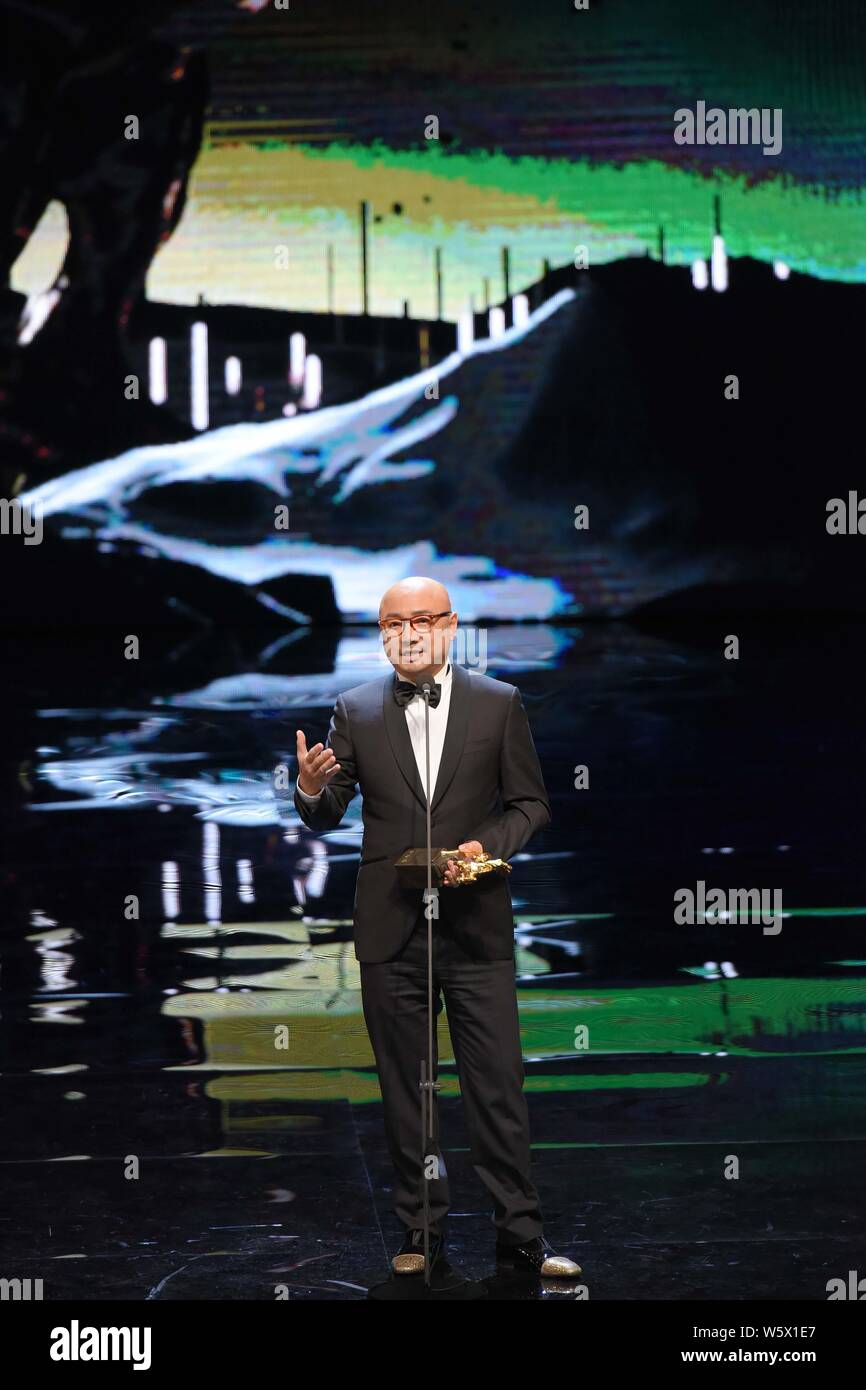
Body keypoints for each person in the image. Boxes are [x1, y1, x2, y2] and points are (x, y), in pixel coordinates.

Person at [294, 575, 580, 1279]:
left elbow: (530, 804)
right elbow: (327, 808)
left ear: (451, 626)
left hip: (474, 923)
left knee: (497, 1086)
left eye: (423, 619)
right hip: (391, 928)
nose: (409, 632)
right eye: (394, 623)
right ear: (381, 634)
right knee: (406, 1089)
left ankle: (521, 1236)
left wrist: (487, 845)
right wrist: (306, 787)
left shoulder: (498, 703)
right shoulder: (354, 710)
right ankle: (421, 1232)